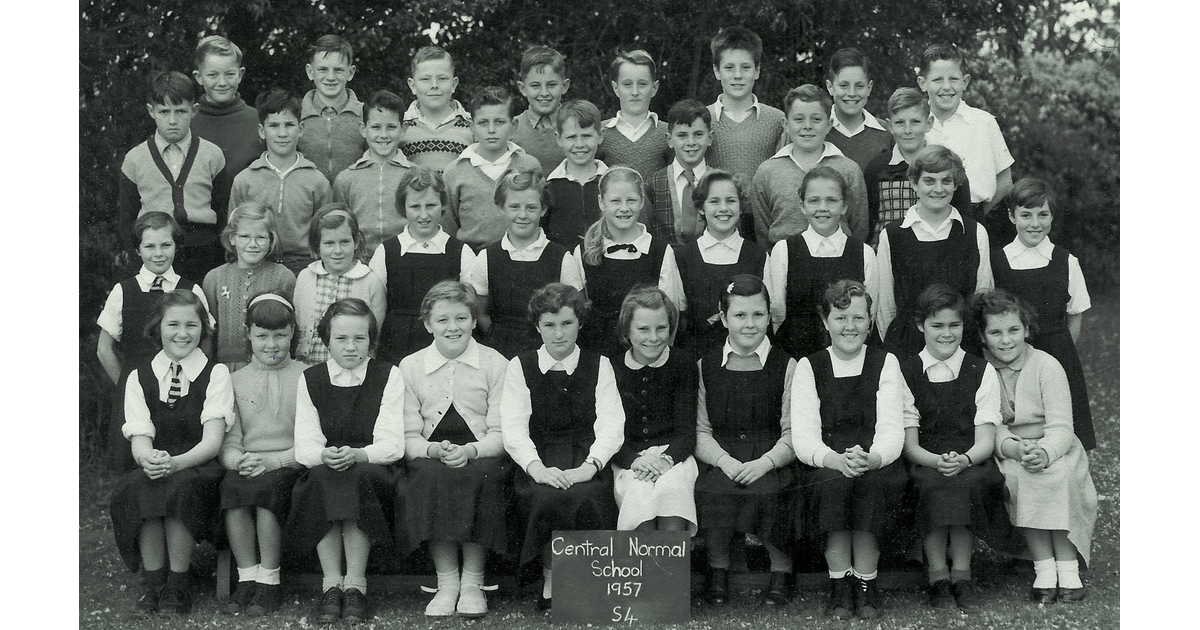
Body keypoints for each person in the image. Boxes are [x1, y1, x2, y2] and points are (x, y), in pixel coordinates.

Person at [500, 283, 625, 612]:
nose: (559, 334)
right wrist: (536, 468)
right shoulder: (520, 366)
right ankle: (552, 578)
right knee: (546, 497)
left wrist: (591, 465)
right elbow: (513, 427)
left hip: (586, 454)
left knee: (589, 495)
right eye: (550, 325)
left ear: (580, 323)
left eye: (567, 323)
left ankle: (587, 579)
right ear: (538, 326)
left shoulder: (599, 364)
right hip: (540, 457)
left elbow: (612, 423)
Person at [109, 290, 233, 616]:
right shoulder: (140, 375)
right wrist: (146, 459)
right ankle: (154, 581)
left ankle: (178, 583)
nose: (182, 333)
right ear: (157, 327)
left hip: (198, 464)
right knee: (138, 485)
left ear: (203, 329)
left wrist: (175, 463)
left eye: (191, 325)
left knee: (179, 487)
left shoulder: (215, 374)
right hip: (157, 462)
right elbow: (139, 433)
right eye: (173, 324)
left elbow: (213, 442)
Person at [791, 279, 906, 620]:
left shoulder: (886, 363)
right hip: (828, 460)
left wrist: (873, 458)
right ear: (825, 321)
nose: (850, 327)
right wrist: (835, 460)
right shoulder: (808, 366)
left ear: (870, 322)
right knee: (834, 485)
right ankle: (839, 585)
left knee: (870, 485)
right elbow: (804, 436)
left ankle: (867, 585)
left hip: (873, 459)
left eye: (858, 318)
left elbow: (891, 428)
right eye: (841, 318)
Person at [972, 289, 1097, 604]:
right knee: (1020, 478)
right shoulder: (981, 370)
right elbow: (991, 423)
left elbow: (1061, 426)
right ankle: (1043, 567)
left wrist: (1046, 451)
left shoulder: (1047, 365)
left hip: (1055, 445)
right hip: (1012, 449)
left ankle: (1067, 568)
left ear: (1026, 330)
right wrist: (1012, 448)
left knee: (1060, 475)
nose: (1006, 340)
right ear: (983, 337)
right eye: (995, 332)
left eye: (1014, 330)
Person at [397, 281, 511, 618]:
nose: (453, 327)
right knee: (430, 478)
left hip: (482, 455)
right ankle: (447, 581)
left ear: (474, 321)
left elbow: (503, 433)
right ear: (427, 324)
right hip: (431, 455)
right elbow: (405, 436)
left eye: (461, 318)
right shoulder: (410, 367)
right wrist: (432, 451)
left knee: (480, 478)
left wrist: (472, 451)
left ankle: (473, 582)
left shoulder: (496, 363)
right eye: (443, 320)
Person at [288, 298, 405, 623]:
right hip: (327, 467)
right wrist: (323, 454)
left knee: (355, 478)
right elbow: (305, 444)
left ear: (371, 339)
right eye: (341, 339)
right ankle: (331, 585)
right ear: (326, 340)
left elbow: (392, 443)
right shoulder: (311, 378)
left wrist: (359, 455)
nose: (351, 347)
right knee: (325, 476)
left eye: (360, 338)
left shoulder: (387, 376)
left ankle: (355, 585)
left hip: (374, 469)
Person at [899, 284, 1009, 612]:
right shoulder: (907, 371)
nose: (946, 333)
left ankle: (962, 576)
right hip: (924, 460)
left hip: (971, 458)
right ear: (921, 326)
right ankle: (938, 577)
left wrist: (963, 460)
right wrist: (936, 461)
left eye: (954, 325)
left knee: (965, 485)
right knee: (932, 486)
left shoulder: (981, 370)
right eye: (937, 326)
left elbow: (986, 440)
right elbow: (909, 445)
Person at [695, 275, 797, 606]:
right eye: (740, 315)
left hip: (769, 457)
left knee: (769, 490)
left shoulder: (788, 365)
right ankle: (718, 567)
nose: (750, 324)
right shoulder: (706, 366)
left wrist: (766, 462)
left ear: (770, 316)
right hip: (722, 456)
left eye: (758, 315)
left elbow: (793, 431)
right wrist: (724, 461)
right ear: (724, 318)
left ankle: (782, 569)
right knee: (715, 489)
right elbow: (701, 429)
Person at [97, 212, 214, 471]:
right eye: (149, 246)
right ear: (138, 249)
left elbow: (205, 343)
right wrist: (129, 388)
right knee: (136, 468)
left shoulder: (191, 290)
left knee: (178, 463)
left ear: (176, 246)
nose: (158, 253)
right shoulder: (123, 291)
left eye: (166, 245)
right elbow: (104, 349)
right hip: (138, 384)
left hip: (181, 389)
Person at [990, 178, 1095, 450]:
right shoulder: (997, 261)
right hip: (1011, 357)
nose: (1034, 223)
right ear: (1012, 216)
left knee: (1063, 431)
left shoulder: (1065, 261)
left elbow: (1075, 314)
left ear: (1052, 217)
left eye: (1043, 214)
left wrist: (1063, 351)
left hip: (1057, 354)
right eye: (1026, 215)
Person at [219, 293, 306, 616]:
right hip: (249, 463)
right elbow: (231, 439)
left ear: (292, 333)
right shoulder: (234, 380)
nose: (271, 344)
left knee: (267, 491)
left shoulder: (307, 376)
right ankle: (247, 576)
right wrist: (236, 460)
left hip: (290, 463)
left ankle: (270, 579)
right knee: (234, 488)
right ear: (249, 335)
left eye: (280, 335)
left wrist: (278, 460)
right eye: (262, 336)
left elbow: (310, 440)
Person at [876, 145, 992, 361]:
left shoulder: (974, 232)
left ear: (956, 184)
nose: (938, 189)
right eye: (929, 181)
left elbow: (982, 296)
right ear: (913, 183)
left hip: (961, 345)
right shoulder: (892, 235)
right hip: (908, 348)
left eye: (946, 181)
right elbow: (885, 307)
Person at [119, 70, 227, 281]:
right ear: (151, 111)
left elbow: (223, 211)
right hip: (155, 253)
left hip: (203, 252)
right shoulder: (135, 159)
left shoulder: (212, 155)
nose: (172, 120)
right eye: (164, 112)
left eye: (180, 111)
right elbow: (127, 219)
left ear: (194, 110)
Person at [463, 168, 583, 358]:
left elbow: (576, 312)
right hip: (501, 352)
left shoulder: (562, 258)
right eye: (514, 207)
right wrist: (499, 339)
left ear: (543, 209)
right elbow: (481, 313)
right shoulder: (487, 257)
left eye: (531, 207)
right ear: (501, 207)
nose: (523, 215)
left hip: (548, 353)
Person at [767, 166, 877, 361]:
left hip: (849, 355)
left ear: (844, 206)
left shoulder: (864, 253)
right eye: (814, 201)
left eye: (831, 200)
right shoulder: (784, 251)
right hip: (796, 353)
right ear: (802, 206)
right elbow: (777, 313)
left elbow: (870, 314)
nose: (822, 208)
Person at [367, 166, 474, 363]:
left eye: (431, 205)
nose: (424, 215)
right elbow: (376, 308)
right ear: (403, 207)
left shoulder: (461, 252)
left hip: (444, 343)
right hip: (396, 344)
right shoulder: (386, 252)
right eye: (415, 207)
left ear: (442, 205)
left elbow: (469, 307)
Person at [575, 166, 684, 357]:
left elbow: (671, 312)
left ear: (642, 201)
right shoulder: (583, 252)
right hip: (597, 357)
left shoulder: (660, 251)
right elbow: (577, 315)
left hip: (645, 357)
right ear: (601, 202)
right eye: (615, 201)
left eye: (631, 200)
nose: (624, 208)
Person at [230, 88, 333, 276]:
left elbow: (325, 234)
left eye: (289, 125)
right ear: (262, 131)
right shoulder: (245, 180)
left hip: (304, 266)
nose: (282, 133)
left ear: (300, 129)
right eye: (274, 126)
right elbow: (233, 232)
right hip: (257, 263)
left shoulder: (317, 181)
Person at [751, 84, 868, 246]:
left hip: (838, 257)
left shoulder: (848, 169)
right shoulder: (767, 171)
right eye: (799, 119)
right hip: (785, 260)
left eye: (816, 119)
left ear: (829, 125)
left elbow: (858, 226)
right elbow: (763, 230)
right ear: (785, 124)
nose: (807, 126)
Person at [862, 87, 972, 247]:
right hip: (887, 255)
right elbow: (870, 222)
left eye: (915, 122)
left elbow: (964, 221)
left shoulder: (947, 165)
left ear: (929, 123)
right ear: (890, 126)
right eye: (900, 123)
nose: (908, 131)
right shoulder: (876, 168)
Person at [674, 170, 769, 352]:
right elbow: (680, 313)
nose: (723, 208)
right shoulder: (682, 257)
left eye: (731, 201)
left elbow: (771, 312)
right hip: (697, 354)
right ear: (701, 207)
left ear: (741, 207)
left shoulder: (758, 256)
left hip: (746, 355)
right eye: (714, 201)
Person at [918, 44, 1013, 221]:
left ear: (965, 82)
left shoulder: (984, 122)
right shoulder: (916, 125)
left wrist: (977, 215)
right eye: (938, 80)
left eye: (953, 79)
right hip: (926, 217)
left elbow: (1005, 181)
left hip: (976, 215)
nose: (946, 87)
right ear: (923, 84)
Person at [442, 86, 543, 250]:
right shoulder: (455, 171)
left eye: (499, 122)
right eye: (483, 123)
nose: (491, 130)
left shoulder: (529, 165)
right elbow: (448, 225)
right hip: (471, 259)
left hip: (521, 254)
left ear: (514, 125)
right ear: (471, 126)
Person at [202, 201, 297, 370]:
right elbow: (209, 331)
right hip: (226, 366)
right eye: (245, 236)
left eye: (260, 237)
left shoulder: (284, 276)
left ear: (271, 239)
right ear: (232, 238)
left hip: (272, 364)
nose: (252, 244)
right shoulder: (214, 278)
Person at [294, 205, 386, 365]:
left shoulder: (370, 281)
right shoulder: (305, 277)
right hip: (309, 366)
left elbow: (374, 336)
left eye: (344, 242)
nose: (338, 250)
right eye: (329, 243)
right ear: (317, 245)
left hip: (354, 368)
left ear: (356, 241)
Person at [332, 89, 413, 252]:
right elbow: (340, 228)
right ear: (363, 129)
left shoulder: (414, 175)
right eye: (376, 127)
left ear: (403, 129)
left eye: (391, 127)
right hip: (360, 260)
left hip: (404, 259)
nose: (383, 135)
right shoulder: (346, 179)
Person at [705, 26, 784, 185]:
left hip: (763, 209)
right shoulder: (703, 119)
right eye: (729, 68)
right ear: (717, 71)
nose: (738, 75)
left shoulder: (777, 120)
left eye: (746, 67)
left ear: (757, 71)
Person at [190, 35, 261, 205]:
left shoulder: (259, 121)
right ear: (198, 77)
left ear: (240, 74)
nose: (222, 82)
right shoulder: (187, 123)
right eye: (212, 75)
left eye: (229, 74)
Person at [642, 99, 712, 246]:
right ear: (669, 139)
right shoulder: (653, 185)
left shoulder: (719, 183)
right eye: (682, 135)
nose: (691, 142)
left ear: (710, 138)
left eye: (698, 134)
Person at [298, 34, 366, 183]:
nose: (330, 77)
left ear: (350, 72)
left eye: (338, 70)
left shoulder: (366, 115)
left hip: (353, 202)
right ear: (310, 72)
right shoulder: (295, 116)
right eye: (322, 69)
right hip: (309, 202)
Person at [543, 99, 608, 250]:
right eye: (571, 137)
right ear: (559, 139)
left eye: (586, 136)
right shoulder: (548, 187)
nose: (579, 144)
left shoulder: (610, 183)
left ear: (600, 136)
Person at [597, 49, 671, 181]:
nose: (635, 92)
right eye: (627, 84)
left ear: (654, 88)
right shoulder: (600, 133)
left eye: (642, 84)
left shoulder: (667, 133)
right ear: (616, 88)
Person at [401, 46, 474, 172]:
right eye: (425, 79)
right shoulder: (399, 126)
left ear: (454, 84)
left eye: (442, 79)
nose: (434, 85)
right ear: (412, 85)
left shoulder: (472, 125)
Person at [824, 48, 892, 173]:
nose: (852, 93)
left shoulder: (886, 133)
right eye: (843, 86)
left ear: (869, 88)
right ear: (830, 87)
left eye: (859, 86)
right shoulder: (818, 131)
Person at [511, 45, 570, 173]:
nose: (544, 93)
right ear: (522, 88)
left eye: (551, 85)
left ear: (564, 86)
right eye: (535, 86)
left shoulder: (576, 127)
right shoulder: (511, 129)